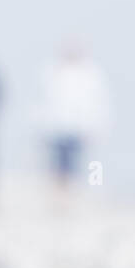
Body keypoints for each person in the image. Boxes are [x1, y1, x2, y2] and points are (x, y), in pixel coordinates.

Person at [40, 41, 110, 194]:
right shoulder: (54, 71)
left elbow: (97, 103)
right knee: (58, 164)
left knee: (87, 163)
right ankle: (61, 195)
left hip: (80, 127)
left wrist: (96, 127)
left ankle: (88, 191)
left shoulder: (90, 74)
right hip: (58, 127)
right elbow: (46, 101)